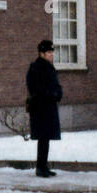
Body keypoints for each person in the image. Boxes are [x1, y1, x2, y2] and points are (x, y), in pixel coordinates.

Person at [26, 39, 62, 177]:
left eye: (51, 52)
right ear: (41, 53)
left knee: (46, 138)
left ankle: (43, 166)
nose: (51, 54)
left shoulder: (47, 67)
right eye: (48, 52)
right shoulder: (36, 67)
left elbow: (54, 84)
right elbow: (35, 88)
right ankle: (40, 167)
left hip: (48, 107)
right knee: (43, 137)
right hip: (41, 108)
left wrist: (58, 93)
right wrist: (51, 94)